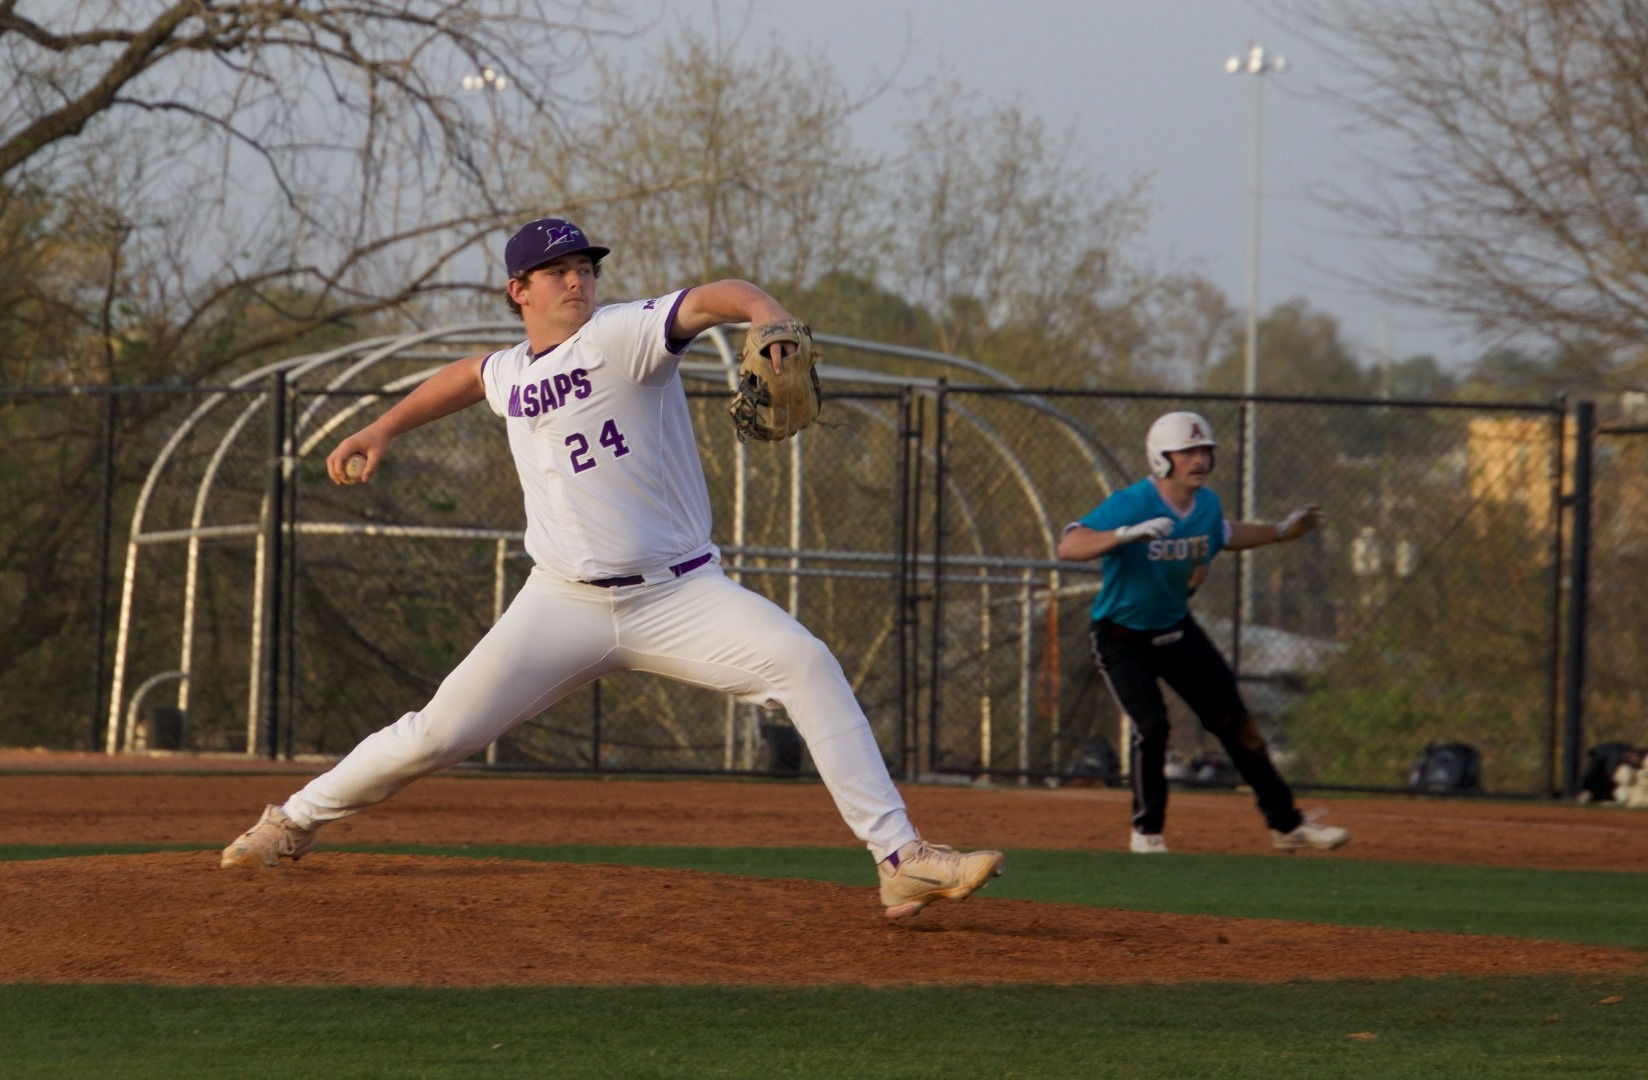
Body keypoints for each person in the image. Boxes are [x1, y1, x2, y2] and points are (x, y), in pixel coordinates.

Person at [220, 217, 1004, 919]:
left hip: (681, 595)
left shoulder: (622, 336)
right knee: (434, 734)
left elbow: (714, 297)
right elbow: (469, 375)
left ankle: (901, 862)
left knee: (805, 663)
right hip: (559, 605)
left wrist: (765, 316)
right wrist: (383, 428)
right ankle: (290, 822)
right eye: (559, 269)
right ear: (517, 289)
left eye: (586, 266)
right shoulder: (514, 374)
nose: (577, 278)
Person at [1054, 411, 1350, 855]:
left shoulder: (1206, 503)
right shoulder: (1133, 501)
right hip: (1121, 635)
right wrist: (1122, 534)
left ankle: (1286, 825)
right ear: (1162, 459)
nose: (1199, 459)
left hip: (1174, 629)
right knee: (1151, 726)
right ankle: (1147, 832)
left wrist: (1282, 532)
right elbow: (1068, 544)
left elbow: (1224, 532)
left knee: (1236, 722)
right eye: (1187, 452)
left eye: (1204, 450)